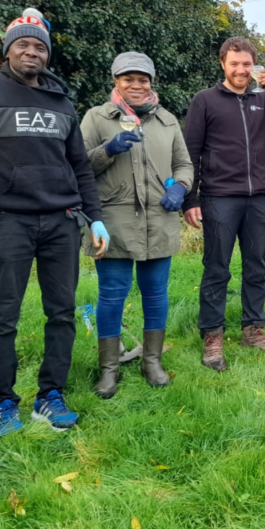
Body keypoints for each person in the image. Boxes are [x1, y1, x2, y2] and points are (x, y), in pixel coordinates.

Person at [0, 8, 109, 435]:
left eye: (39, 46)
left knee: (62, 312)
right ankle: (2, 403)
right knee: (2, 315)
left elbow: (80, 167)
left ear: (46, 54)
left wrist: (96, 219)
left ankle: (50, 396)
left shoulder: (62, 102)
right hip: (10, 220)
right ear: (8, 50)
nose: (31, 51)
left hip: (63, 221)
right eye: (23, 44)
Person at [80, 52, 193, 398]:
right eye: (128, 78)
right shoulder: (97, 118)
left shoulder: (167, 120)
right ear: (116, 81)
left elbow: (184, 164)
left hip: (159, 218)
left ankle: (152, 362)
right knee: (112, 295)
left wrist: (181, 188)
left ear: (151, 82)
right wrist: (108, 149)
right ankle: (108, 370)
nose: (136, 85)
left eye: (143, 79)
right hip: (113, 220)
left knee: (156, 294)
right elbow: (79, 167)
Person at [182, 37, 265, 371]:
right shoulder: (205, 101)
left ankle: (253, 330)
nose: (241, 70)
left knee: (256, 266)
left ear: (254, 65)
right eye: (235, 64)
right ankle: (213, 337)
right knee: (216, 268)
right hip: (219, 196)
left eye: (247, 64)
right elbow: (190, 151)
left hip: (260, 196)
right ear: (223, 64)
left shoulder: (264, 98)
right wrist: (191, 198)